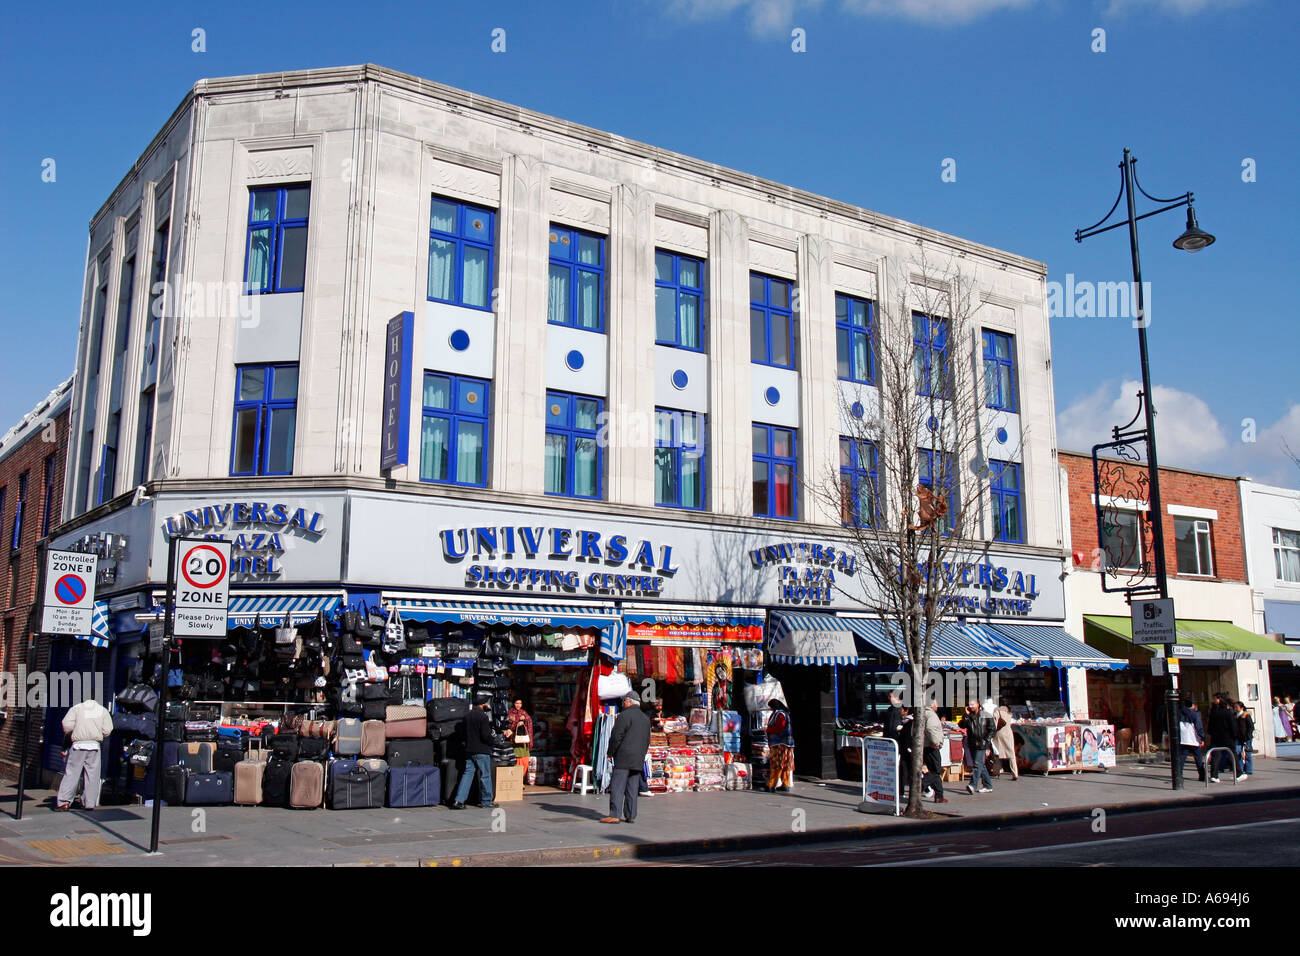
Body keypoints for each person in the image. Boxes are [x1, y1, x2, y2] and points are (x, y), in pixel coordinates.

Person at [56, 696, 115, 811]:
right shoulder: (102, 710)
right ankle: (89, 803)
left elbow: (66, 725)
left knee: (72, 773)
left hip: (78, 745)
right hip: (94, 746)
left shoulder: (77, 708)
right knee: (92, 775)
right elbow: (108, 729)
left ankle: (64, 802)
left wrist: (75, 730)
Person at [601, 694, 651, 824]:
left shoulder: (624, 716)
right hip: (638, 757)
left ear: (628, 702)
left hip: (624, 756)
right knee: (632, 787)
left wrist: (610, 752)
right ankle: (630, 815)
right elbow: (647, 739)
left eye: (624, 701)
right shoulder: (645, 718)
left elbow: (616, 736)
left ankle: (614, 814)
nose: (623, 704)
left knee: (618, 785)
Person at [451, 697, 498, 809]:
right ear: (483, 705)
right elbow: (485, 735)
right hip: (482, 750)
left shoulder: (467, 716)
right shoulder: (483, 717)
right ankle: (486, 801)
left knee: (467, 774)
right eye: (486, 703)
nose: (487, 704)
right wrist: (493, 740)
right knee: (485, 775)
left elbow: (463, 734)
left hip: (469, 750)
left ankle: (459, 800)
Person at [959, 701, 996, 794]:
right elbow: (961, 725)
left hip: (982, 743)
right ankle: (988, 785)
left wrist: (986, 741)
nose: (971, 706)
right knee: (980, 764)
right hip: (972, 743)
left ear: (978, 705)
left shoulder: (986, 715)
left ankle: (973, 785)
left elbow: (992, 729)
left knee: (976, 764)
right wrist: (966, 715)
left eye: (973, 704)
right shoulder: (969, 717)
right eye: (969, 705)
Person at [764, 699, 795, 792]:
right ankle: (785, 784)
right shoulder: (783, 713)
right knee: (785, 764)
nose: (770, 709)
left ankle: (771, 785)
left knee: (776, 764)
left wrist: (768, 730)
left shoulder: (780, 714)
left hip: (780, 744)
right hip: (786, 744)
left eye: (770, 707)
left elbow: (780, 727)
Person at [1207, 693, 1237, 783]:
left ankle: (1214, 775)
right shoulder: (1228, 713)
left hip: (1216, 737)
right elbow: (1233, 726)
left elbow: (1210, 726)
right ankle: (1238, 772)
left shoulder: (1214, 712)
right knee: (1233, 754)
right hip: (1227, 737)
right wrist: (1234, 735)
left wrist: (1211, 733)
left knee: (1216, 755)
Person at [1178, 696, 1207, 783]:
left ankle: (1179, 774)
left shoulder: (1179, 712)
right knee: (1198, 758)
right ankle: (1202, 775)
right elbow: (1199, 727)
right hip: (1193, 738)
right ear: (1193, 705)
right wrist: (1202, 738)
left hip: (1183, 738)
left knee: (1182, 758)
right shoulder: (1195, 714)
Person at [506, 699, 534, 773]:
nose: (518, 705)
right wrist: (516, 723)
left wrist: (525, 719)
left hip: (524, 741)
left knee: (525, 759)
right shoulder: (510, 713)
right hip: (515, 740)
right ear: (513, 703)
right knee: (517, 759)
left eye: (520, 703)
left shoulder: (524, 713)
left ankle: (521, 779)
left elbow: (529, 722)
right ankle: (517, 779)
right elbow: (508, 726)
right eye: (516, 703)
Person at [992, 704, 1018, 780]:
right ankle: (1015, 773)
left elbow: (994, 724)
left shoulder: (997, 712)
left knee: (998, 754)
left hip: (999, 734)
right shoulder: (1009, 713)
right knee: (1011, 754)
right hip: (1009, 734)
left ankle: (996, 771)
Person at [922, 699, 945, 779]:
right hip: (931, 746)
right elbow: (930, 729)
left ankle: (938, 791)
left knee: (932, 769)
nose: (937, 706)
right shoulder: (931, 715)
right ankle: (922, 785)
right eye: (936, 704)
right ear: (931, 705)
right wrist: (936, 743)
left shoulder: (923, 713)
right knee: (936, 770)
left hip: (926, 744)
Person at [1234, 700, 1254, 780]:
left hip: (1246, 737)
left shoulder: (1245, 715)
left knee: (1248, 753)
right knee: (1238, 752)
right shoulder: (1235, 715)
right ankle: (1240, 768)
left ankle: (1249, 769)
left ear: (1241, 707)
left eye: (1236, 707)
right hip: (1238, 737)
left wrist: (1248, 736)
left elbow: (1251, 727)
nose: (1235, 708)